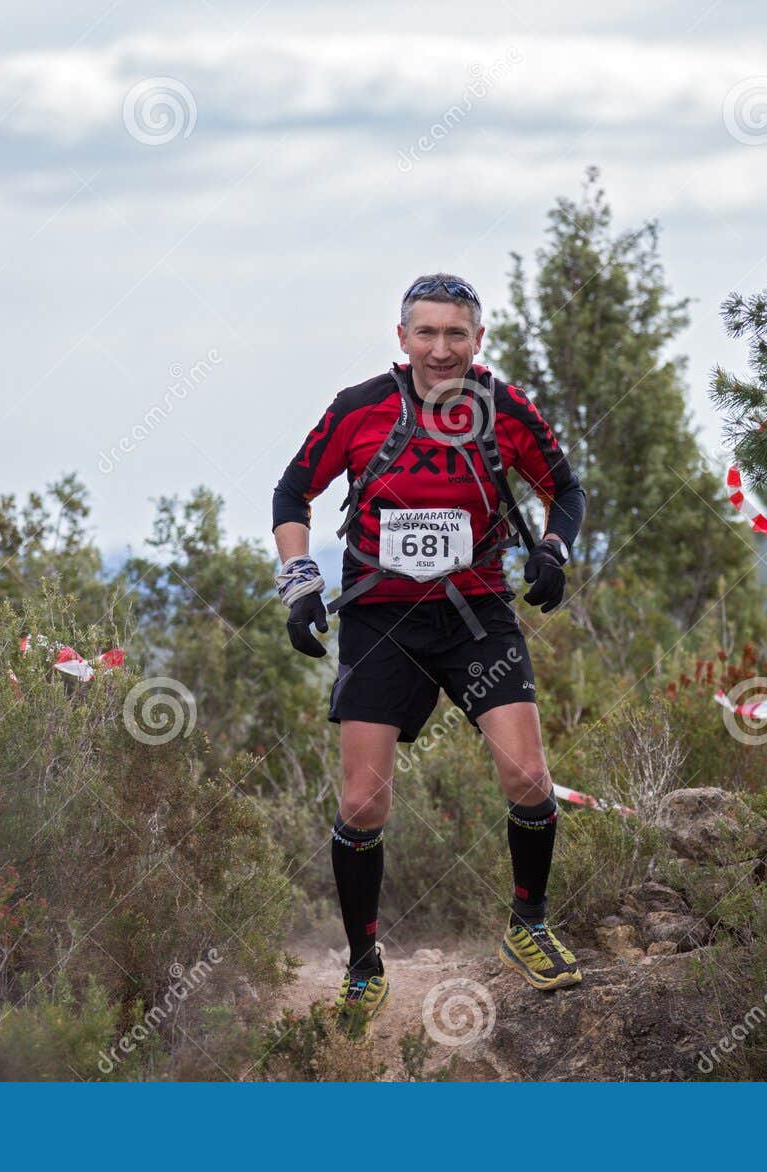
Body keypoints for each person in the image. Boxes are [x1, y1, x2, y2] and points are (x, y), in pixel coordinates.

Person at [270, 273, 588, 1026]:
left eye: (456, 334)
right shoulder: (357, 409)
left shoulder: (506, 408)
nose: (440, 349)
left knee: (529, 777)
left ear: (479, 340)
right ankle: (361, 964)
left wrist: (553, 550)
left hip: (476, 615)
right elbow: (292, 494)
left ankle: (529, 924)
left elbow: (565, 490)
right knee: (362, 800)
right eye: (426, 333)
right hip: (382, 618)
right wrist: (300, 582)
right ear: (402, 337)